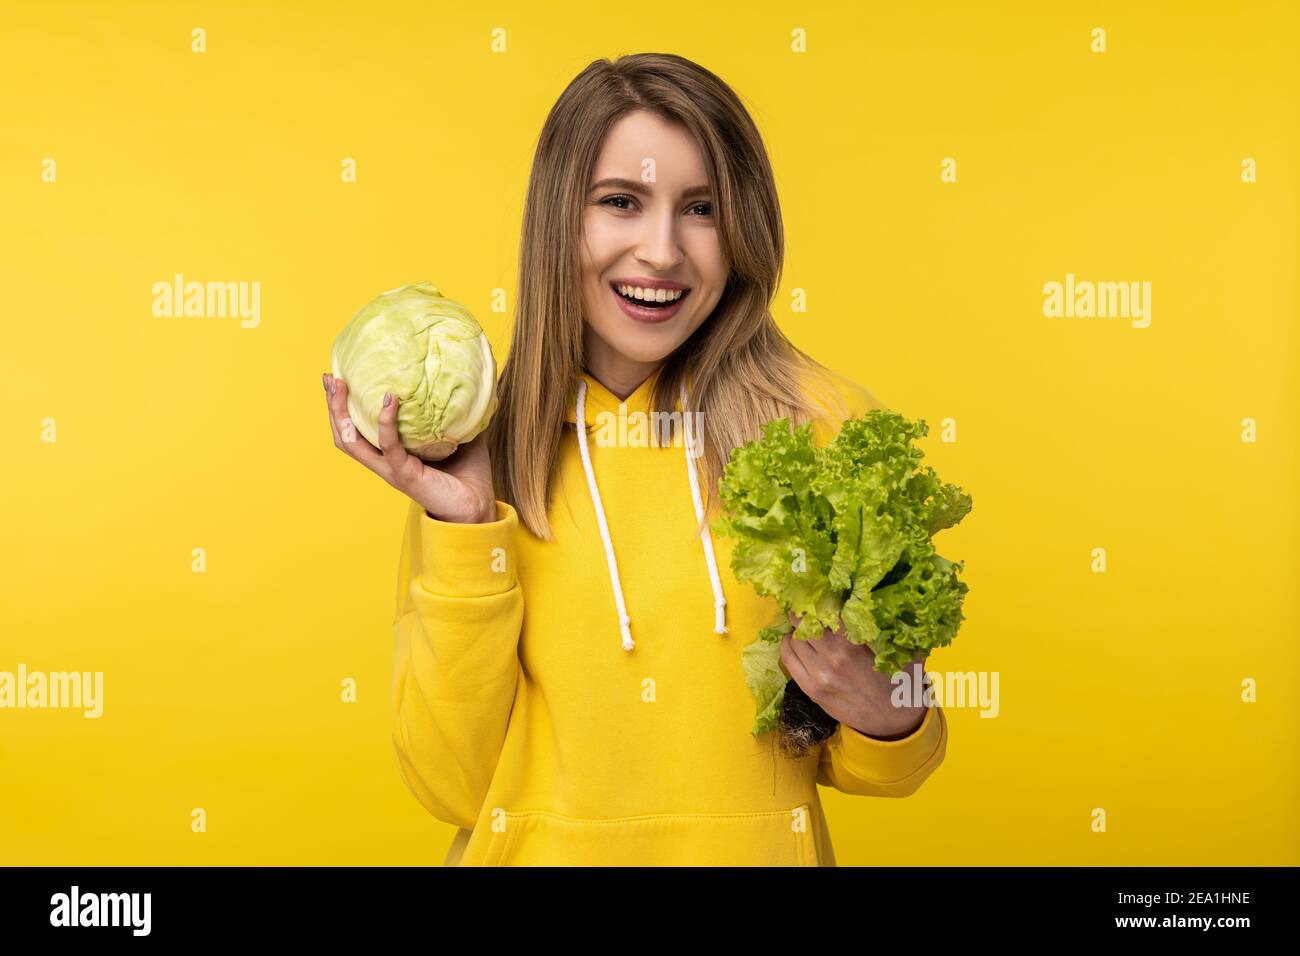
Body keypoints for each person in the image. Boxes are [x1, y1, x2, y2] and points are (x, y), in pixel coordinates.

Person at [322, 52, 946, 866]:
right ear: (558, 223)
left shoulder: (823, 431)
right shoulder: (484, 462)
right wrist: (467, 527)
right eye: (621, 202)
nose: (662, 251)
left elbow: (888, 768)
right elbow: (450, 785)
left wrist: (888, 709)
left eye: (701, 209)